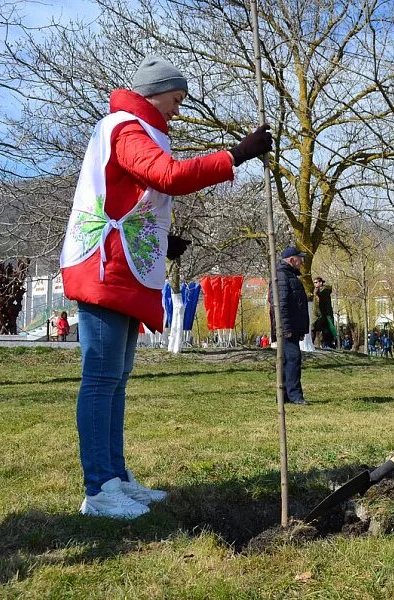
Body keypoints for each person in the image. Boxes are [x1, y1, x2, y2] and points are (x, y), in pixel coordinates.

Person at [60, 56, 273, 519]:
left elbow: (128, 194)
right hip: (105, 267)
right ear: (154, 93)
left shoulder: (136, 129)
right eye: (175, 100)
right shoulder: (126, 128)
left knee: (115, 380)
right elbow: (168, 176)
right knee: (100, 379)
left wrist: (161, 238)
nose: (177, 110)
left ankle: (115, 477)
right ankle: (98, 489)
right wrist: (236, 155)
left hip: (121, 266)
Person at [269, 246, 310, 405]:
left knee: (288, 360)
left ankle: (284, 394)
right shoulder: (282, 276)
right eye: (300, 259)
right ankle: (295, 395)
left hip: (292, 327)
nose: (302, 262)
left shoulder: (289, 275)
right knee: (293, 359)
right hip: (287, 328)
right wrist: (284, 328)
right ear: (292, 260)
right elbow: (280, 305)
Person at [311, 277, 335, 349]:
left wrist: (316, 291)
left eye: (316, 282)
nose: (315, 284)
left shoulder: (325, 289)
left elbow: (321, 293)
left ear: (320, 282)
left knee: (327, 329)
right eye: (314, 283)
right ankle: (311, 344)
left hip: (326, 314)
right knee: (313, 328)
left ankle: (327, 345)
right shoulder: (316, 290)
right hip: (317, 314)